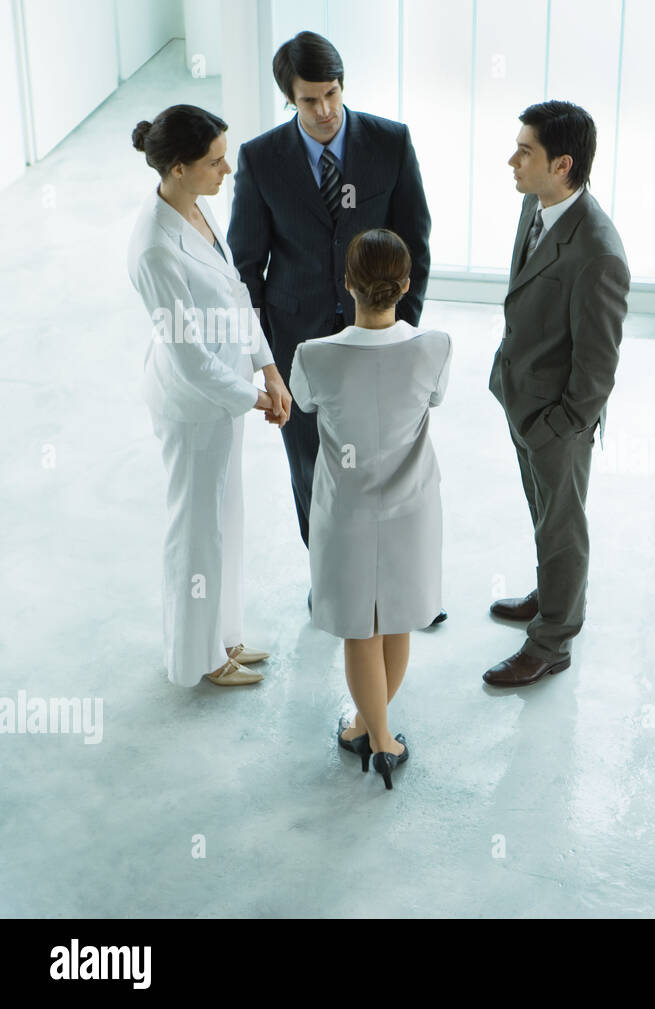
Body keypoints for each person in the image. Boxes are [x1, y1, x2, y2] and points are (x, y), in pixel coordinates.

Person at [226, 30, 444, 624]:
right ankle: (330, 578)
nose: (324, 111)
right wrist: (264, 359)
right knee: (312, 471)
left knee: (394, 467)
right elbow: (245, 266)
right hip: (302, 348)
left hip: (382, 339)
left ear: (343, 84)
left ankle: (403, 590)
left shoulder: (389, 142)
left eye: (332, 94)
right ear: (289, 100)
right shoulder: (260, 158)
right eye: (309, 101)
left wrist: (401, 330)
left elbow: (414, 245)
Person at [127, 105, 293, 687]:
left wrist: (268, 368)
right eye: (215, 162)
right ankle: (196, 659)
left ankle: (222, 636)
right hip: (196, 405)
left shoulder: (195, 208)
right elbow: (188, 355)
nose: (228, 170)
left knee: (225, 518)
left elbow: (234, 288)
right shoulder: (154, 247)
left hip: (227, 394)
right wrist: (252, 396)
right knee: (195, 531)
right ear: (178, 167)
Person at [289, 229, 451, 789]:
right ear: (405, 285)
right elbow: (431, 400)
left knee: (362, 629)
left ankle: (374, 736)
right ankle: (372, 730)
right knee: (398, 619)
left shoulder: (314, 356)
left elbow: (304, 405)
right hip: (411, 511)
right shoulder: (435, 347)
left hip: (347, 516)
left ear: (348, 283)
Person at [484, 101, 630, 686]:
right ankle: (551, 596)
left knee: (562, 525)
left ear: (563, 164)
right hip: (522, 398)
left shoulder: (598, 254)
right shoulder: (536, 204)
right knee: (545, 514)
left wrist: (558, 425)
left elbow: (598, 368)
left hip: (556, 419)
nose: (512, 160)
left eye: (526, 151)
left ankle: (552, 640)